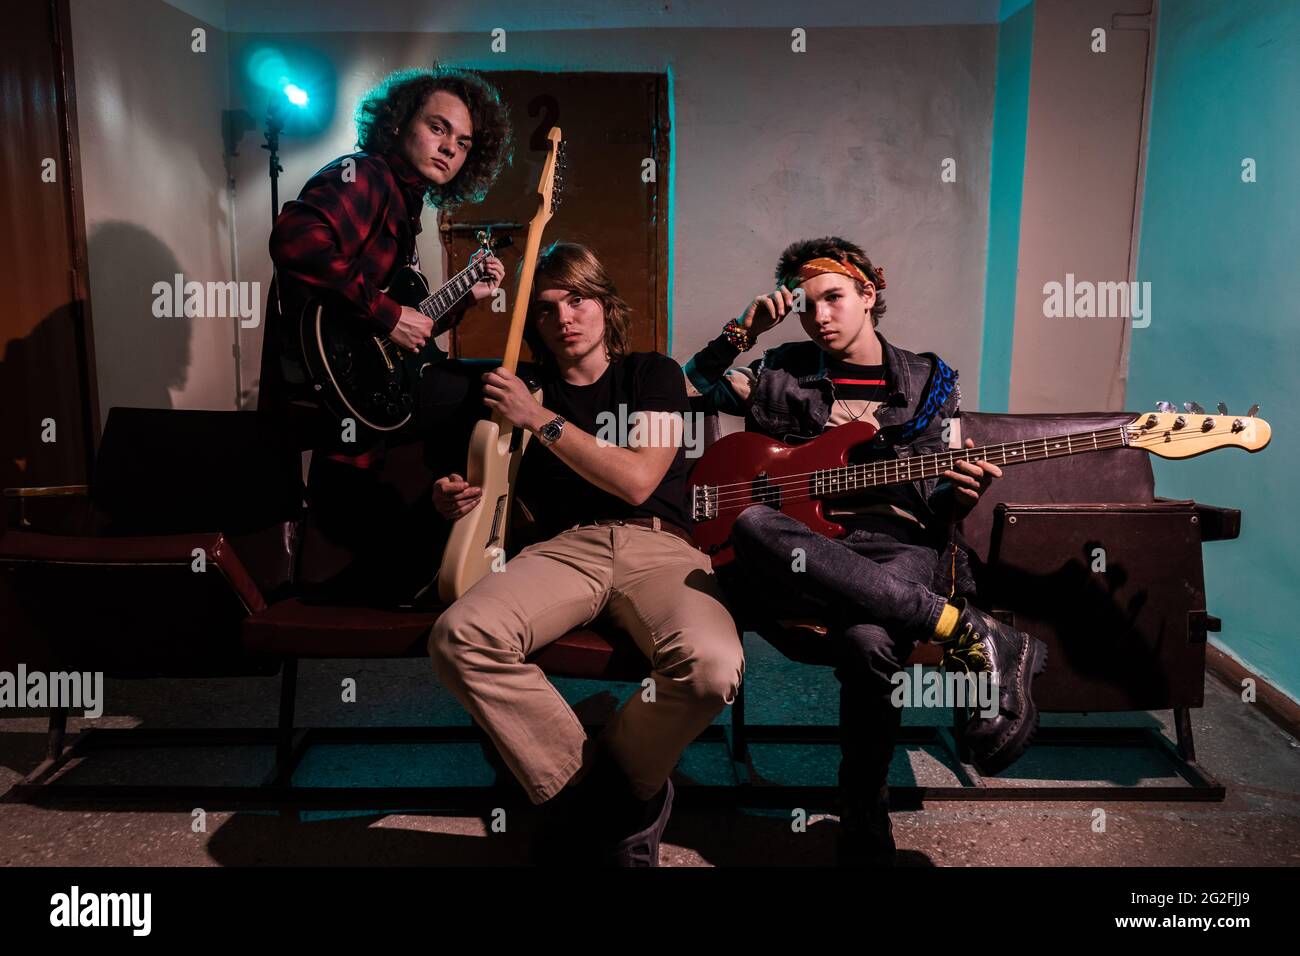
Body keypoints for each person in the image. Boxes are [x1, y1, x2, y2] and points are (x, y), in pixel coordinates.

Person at [683, 236, 1048, 865]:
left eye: (833, 298)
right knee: (753, 527)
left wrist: (960, 495)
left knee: (867, 641)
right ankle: (974, 632)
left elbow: (937, 504)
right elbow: (689, 386)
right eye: (806, 305)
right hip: (792, 546)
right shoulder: (778, 371)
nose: (819, 316)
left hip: (894, 542)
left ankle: (862, 809)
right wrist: (743, 331)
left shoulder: (929, 381)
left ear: (867, 294)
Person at [428, 242, 744, 866]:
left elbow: (637, 481)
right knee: (459, 636)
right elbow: (486, 483)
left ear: (604, 306)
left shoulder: (651, 374)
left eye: (577, 300)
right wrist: (453, 493)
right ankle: (615, 799)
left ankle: (593, 799)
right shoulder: (516, 390)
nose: (564, 318)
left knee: (712, 669)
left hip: (659, 544)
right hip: (562, 549)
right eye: (546, 309)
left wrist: (539, 418)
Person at [260, 65, 513, 602]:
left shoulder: (406, 201)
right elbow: (295, 240)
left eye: (464, 142)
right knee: (501, 386)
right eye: (437, 127)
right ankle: (454, 547)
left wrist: (465, 294)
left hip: (368, 372)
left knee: (474, 386)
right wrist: (386, 314)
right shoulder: (366, 174)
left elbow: (411, 324)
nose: (449, 148)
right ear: (398, 124)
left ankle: (407, 555)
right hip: (335, 371)